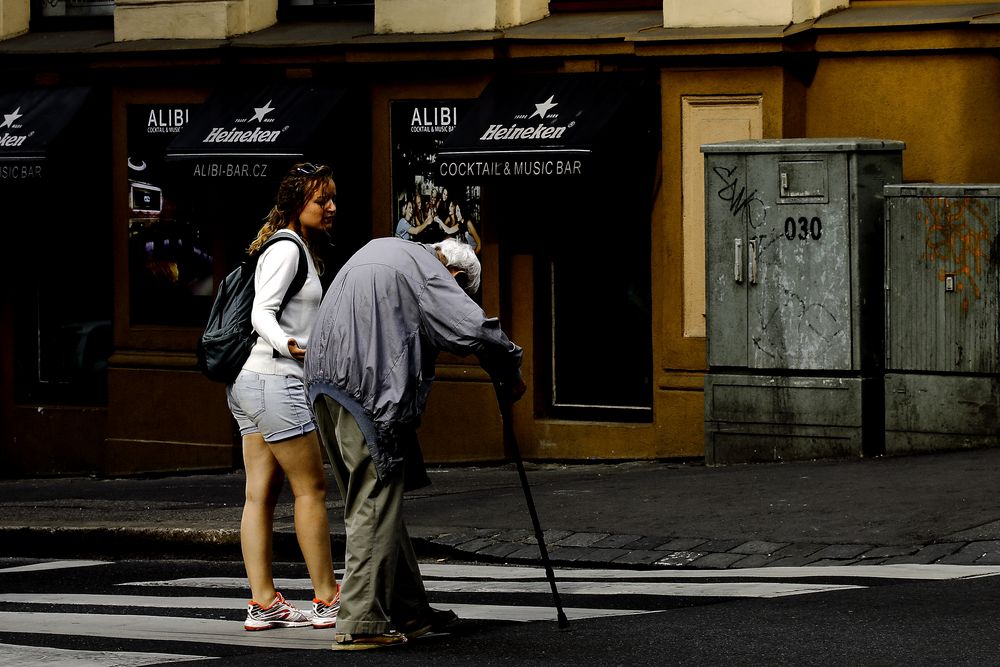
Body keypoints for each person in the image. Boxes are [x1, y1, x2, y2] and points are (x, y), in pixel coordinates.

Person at [305, 237, 525, 650]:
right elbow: (472, 329)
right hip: (366, 387)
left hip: (322, 383)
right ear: (456, 276)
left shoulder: (385, 249)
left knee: (379, 500)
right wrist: (509, 367)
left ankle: (409, 611)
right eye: (460, 290)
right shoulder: (430, 271)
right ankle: (360, 622)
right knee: (373, 500)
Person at [226, 162, 341, 632]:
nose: (332, 207)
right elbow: (262, 312)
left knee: (260, 496)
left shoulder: (297, 247)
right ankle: (328, 598)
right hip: (274, 378)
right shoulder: (288, 249)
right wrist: (287, 344)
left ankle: (264, 603)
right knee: (310, 490)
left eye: (333, 198)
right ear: (298, 205)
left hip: (251, 382)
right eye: (322, 200)